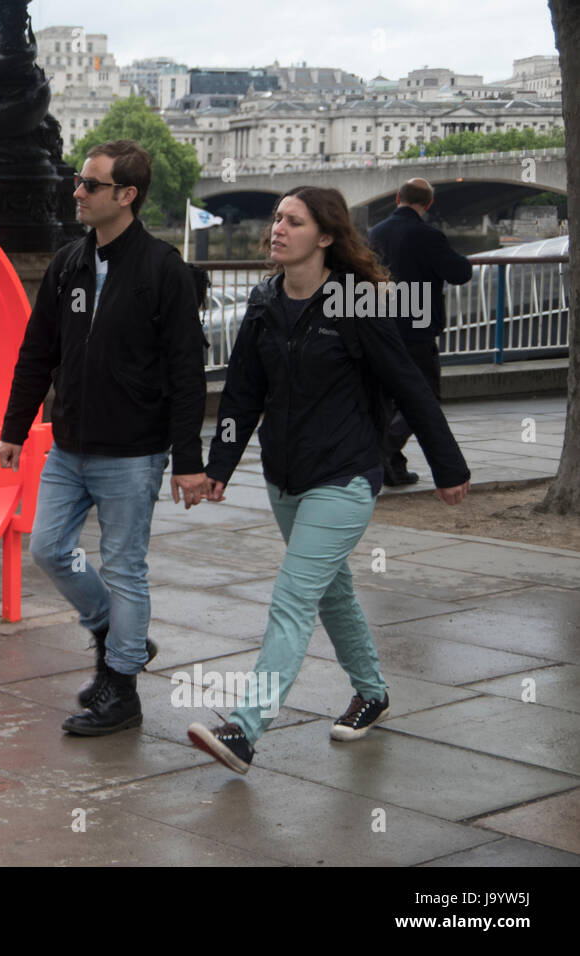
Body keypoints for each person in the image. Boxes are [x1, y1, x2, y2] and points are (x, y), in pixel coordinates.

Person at [188, 186, 471, 774]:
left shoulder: (356, 304)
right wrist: (219, 467)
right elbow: (243, 391)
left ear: (324, 237)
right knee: (332, 591)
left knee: (293, 598)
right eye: (275, 219)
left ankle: (244, 729)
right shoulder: (265, 301)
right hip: (284, 478)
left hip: (344, 477)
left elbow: (409, 384)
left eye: (292, 221)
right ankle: (372, 691)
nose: (277, 228)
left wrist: (448, 466)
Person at [0, 139, 208, 737]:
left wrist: (188, 461)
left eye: (90, 184)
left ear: (127, 195)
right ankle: (121, 638)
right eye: (78, 181)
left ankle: (121, 689)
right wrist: (16, 427)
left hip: (133, 453)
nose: (77, 192)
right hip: (69, 447)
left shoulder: (164, 269)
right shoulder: (68, 263)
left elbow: (187, 373)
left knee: (124, 568)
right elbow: (38, 351)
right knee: (47, 548)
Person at [367, 178, 472, 485]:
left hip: (381, 324)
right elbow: (459, 273)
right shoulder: (428, 235)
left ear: (398, 197)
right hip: (416, 328)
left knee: (387, 399)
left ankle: (393, 469)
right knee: (424, 397)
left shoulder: (374, 233)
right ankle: (381, 450)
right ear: (427, 204)